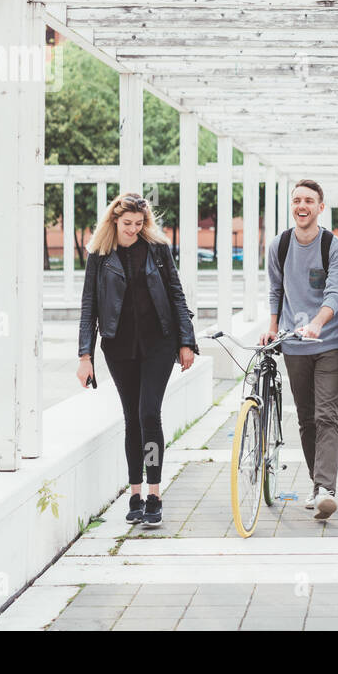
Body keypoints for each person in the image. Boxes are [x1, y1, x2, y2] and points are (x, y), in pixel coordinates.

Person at [77, 192, 198, 529]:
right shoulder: (99, 256)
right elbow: (89, 307)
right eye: (127, 223)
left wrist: (186, 342)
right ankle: (135, 494)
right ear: (113, 221)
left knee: (149, 414)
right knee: (132, 417)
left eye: (139, 223)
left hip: (159, 344)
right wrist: (84, 356)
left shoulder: (157, 250)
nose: (133, 229)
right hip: (118, 347)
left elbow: (177, 294)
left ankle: (155, 493)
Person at [261, 179, 338, 521]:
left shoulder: (334, 246)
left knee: (327, 415)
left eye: (309, 201)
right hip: (293, 345)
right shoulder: (279, 245)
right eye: (297, 200)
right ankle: (317, 486)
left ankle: (326, 489)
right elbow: (275, 290)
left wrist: (318, 323)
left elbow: (336, 293)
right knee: (306, 418)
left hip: (331, 343)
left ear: (320, 207)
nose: (302, 206)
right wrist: (272, 327)